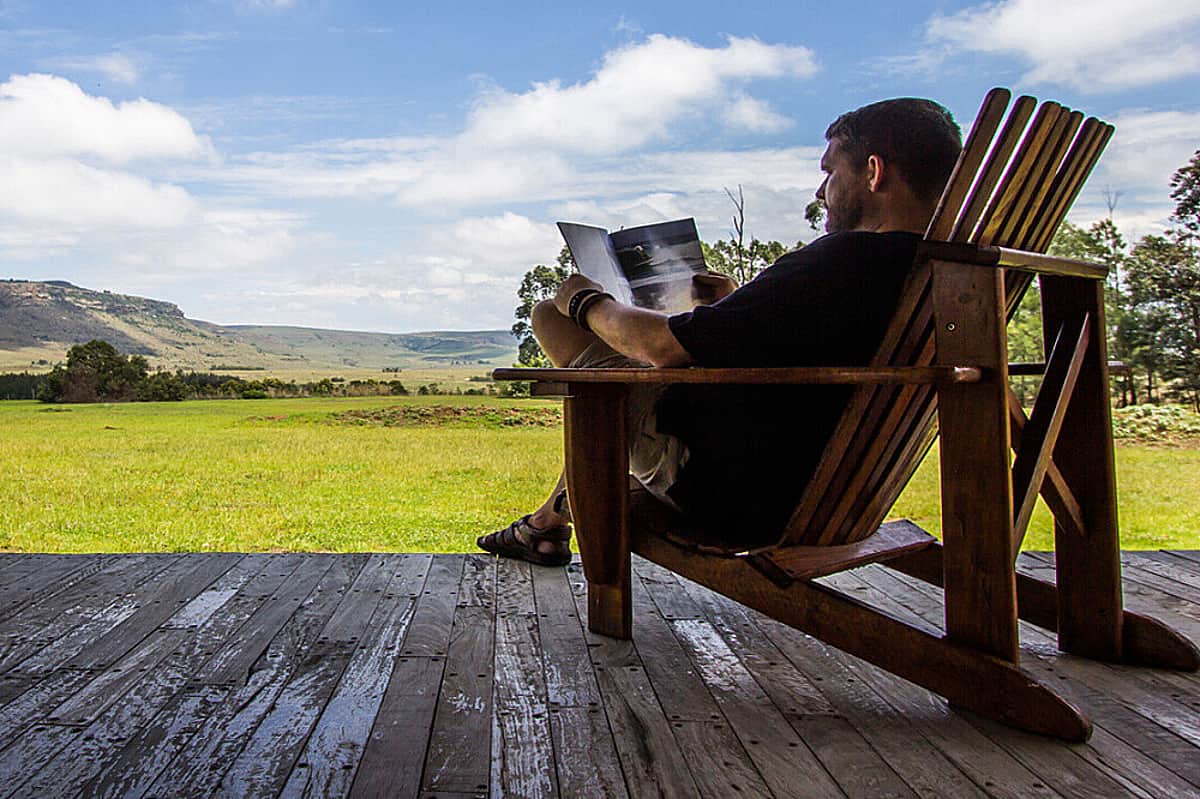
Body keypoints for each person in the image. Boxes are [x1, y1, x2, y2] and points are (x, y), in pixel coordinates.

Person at [479, 97, 963, 566]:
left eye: (829, 172)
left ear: (874, 171)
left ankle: (556, 532)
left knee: (551, 316)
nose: (820, 192)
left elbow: (661, 346)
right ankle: (547, 522)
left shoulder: (845, 259)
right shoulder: (943, 274)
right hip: (826, 487)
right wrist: (736, 306)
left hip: (728, 490)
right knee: (612, 369)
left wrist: (586, 300)